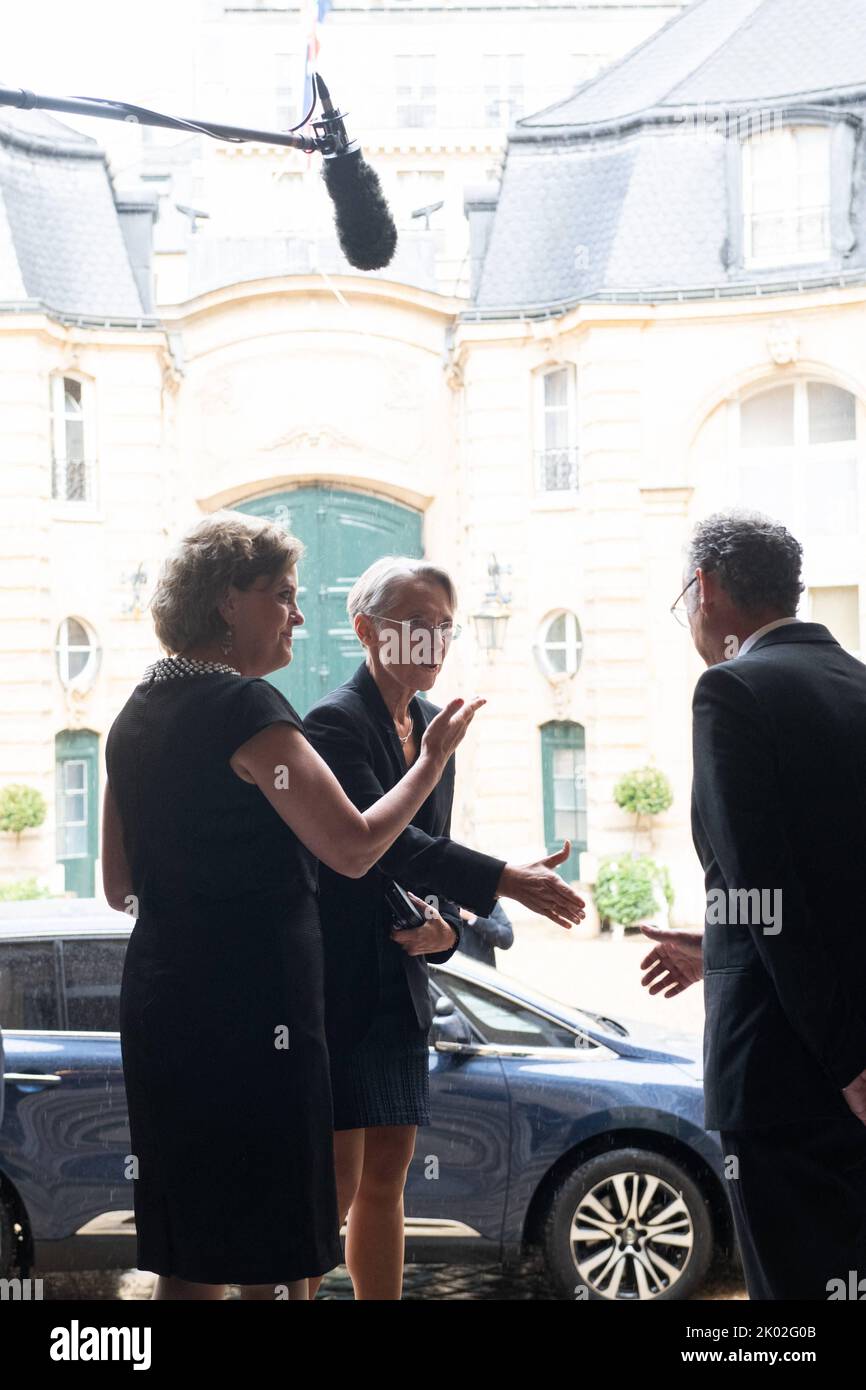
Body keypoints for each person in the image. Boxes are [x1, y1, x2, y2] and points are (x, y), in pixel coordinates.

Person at [102, 513, 482, 1302]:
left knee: (191, 1248)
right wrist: (432, 760)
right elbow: (352, 847)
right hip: (257, 1015)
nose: (299, 616)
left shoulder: (133, 715)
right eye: (283, 596)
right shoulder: (247, 709)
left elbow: (116, 885)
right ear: (226, 602)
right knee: (274, 1256)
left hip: (163, 1006)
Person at [303, 555, 587, 1300]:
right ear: (366, 630)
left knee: (389, 1177)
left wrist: (450, 930)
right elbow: (385, 845)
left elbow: (419, 869)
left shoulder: (432, 725)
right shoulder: (335, 722)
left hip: (398, 982)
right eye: (416, 626)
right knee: (333, 1183)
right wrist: (505, 881)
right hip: (338, 986)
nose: (433, 642)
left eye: (443, 628)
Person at [640, 509, 866, 1300]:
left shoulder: (731, 690)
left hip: (787, 1070)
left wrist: (848, 1062)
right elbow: (817, 886)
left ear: (704, 590)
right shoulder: (856, 683)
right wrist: (718, 945)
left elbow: (762, 884)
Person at [455, 899, 514, 966]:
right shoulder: (442, 896)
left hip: (478, 970)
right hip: (446, 969)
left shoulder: (484, 898)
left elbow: (506, 938)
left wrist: (473, 917)